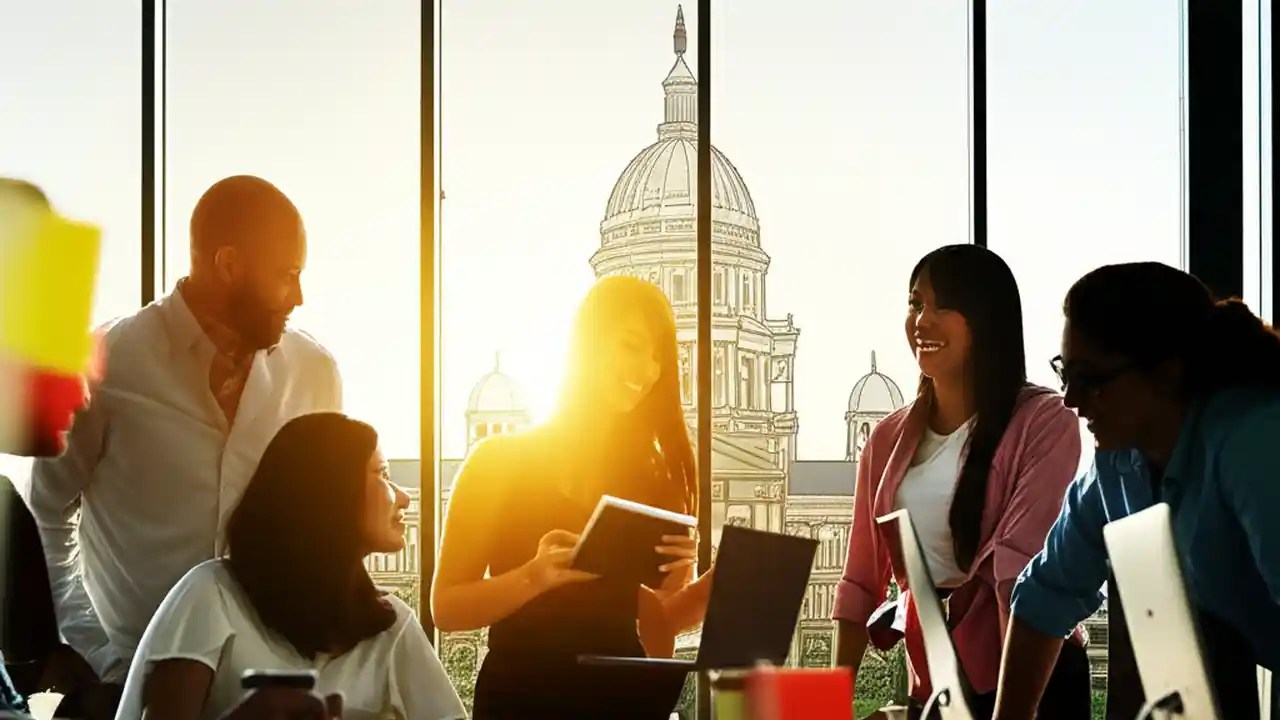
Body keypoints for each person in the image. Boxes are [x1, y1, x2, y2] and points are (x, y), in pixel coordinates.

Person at [27, 175, 342, 710]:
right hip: (129, 687)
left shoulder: (314, 373)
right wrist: (97, 652)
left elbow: (325, 524)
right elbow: (45, 513)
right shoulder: (107, 365)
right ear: (228, 265)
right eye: (287, 275)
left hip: (267, 690)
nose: (300, 296)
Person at [992, 262, 1280, 720]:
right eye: (1066, 372)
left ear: (1166, 373)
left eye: (1092, 379)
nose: (1069, 398)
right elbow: (1044, 596)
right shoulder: (1120, 462)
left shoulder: (1254, 440)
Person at [432, 275, 712, 718]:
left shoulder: (651, 477)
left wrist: (690, 580)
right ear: (587, 345)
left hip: (620, 702)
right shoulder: (498, 462)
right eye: (631, 345)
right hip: (525, 699)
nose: (649, 370)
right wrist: (534, 576)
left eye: (660, 355)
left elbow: (657, 622)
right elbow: (445, 607)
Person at [832, 245, 1090, 719]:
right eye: (915, 304)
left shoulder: (1045, 422)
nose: (921, 321)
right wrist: (826, 706)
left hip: (1031, 677)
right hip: (935, 679)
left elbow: (1018, 569)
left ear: (985, 318)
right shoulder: (886, 439)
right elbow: (861, 582)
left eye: (941, 305)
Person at [115, 413, 466, 720]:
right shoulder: (212, 595)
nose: (403, 497)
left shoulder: (392, 626)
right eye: (382, 473)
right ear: (330, 491)